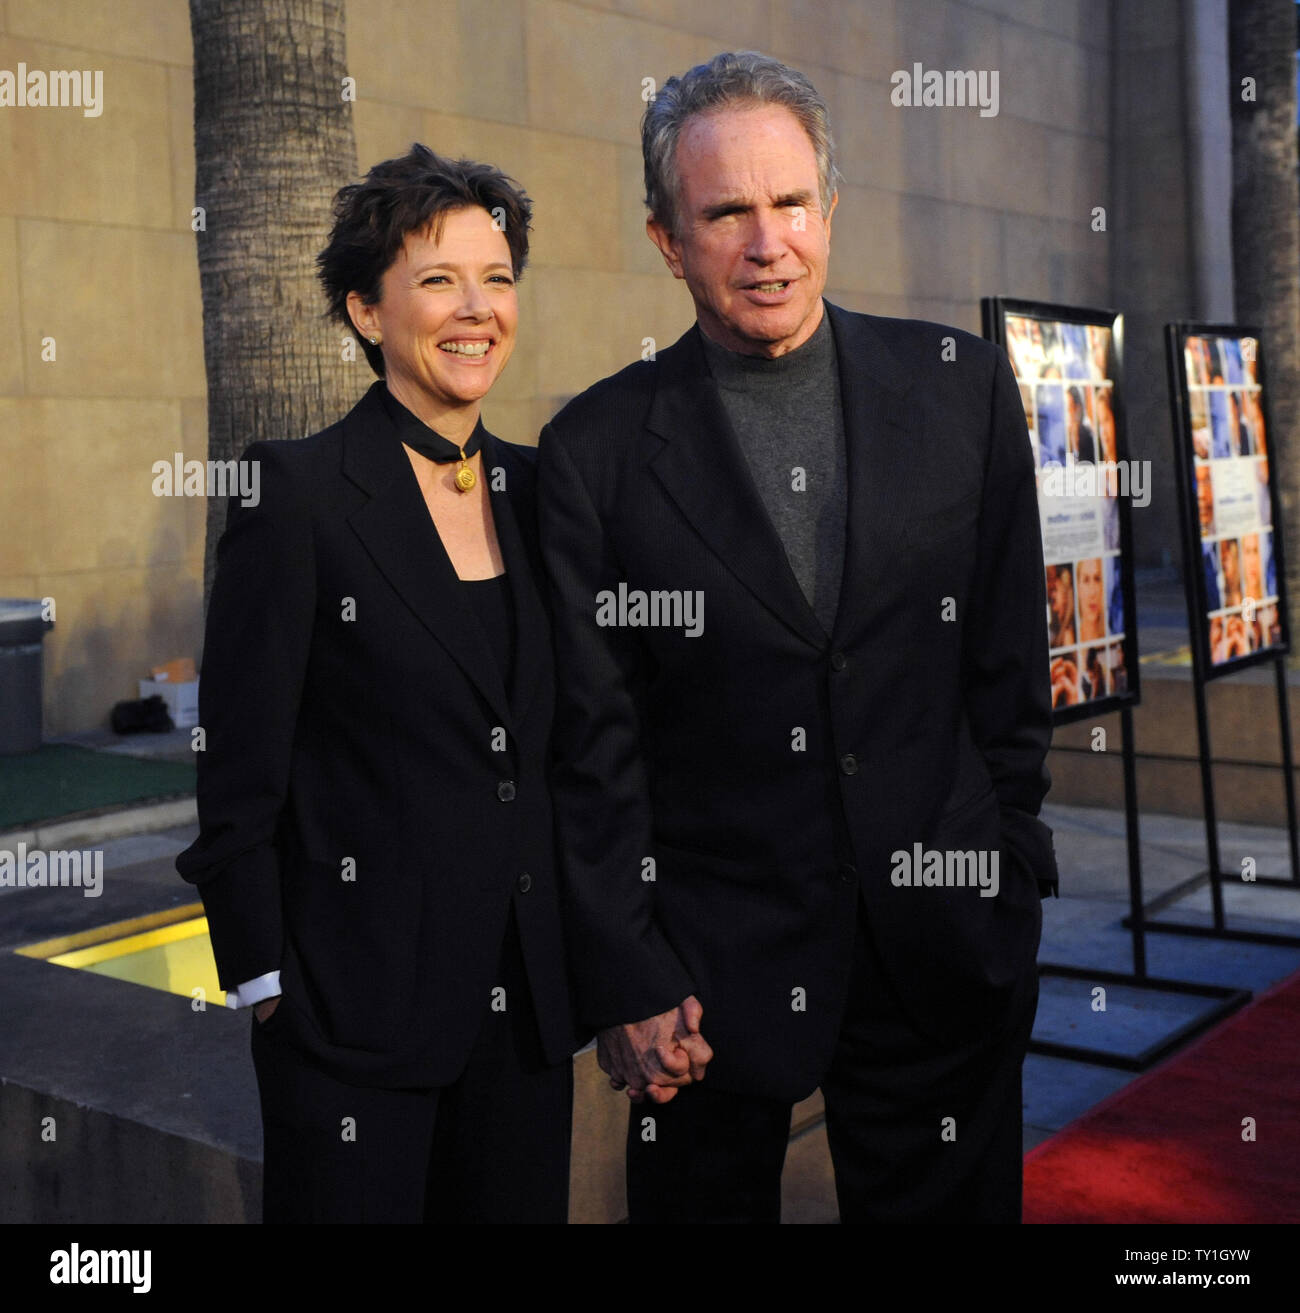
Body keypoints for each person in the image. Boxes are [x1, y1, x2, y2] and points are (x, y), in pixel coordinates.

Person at [537, 51, 1057, 1224]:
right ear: (670, 240)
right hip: (707, 994)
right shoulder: (596, 454)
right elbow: (593, 743)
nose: (765, 241)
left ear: (828, 208)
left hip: (945, 944)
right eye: (726, 212)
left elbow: (1007, 671)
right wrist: (628, 971)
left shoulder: (959, 389)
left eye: (788, 203)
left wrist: (1010, 869)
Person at [176, 145, 578, 1223]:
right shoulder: (297, 496)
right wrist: (263, 982)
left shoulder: (543, 495)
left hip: (526, 1020)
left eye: (496, 278)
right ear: (365, 310)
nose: (476, 309)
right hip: (349, 1020)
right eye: (438, 279)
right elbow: (238, 771)